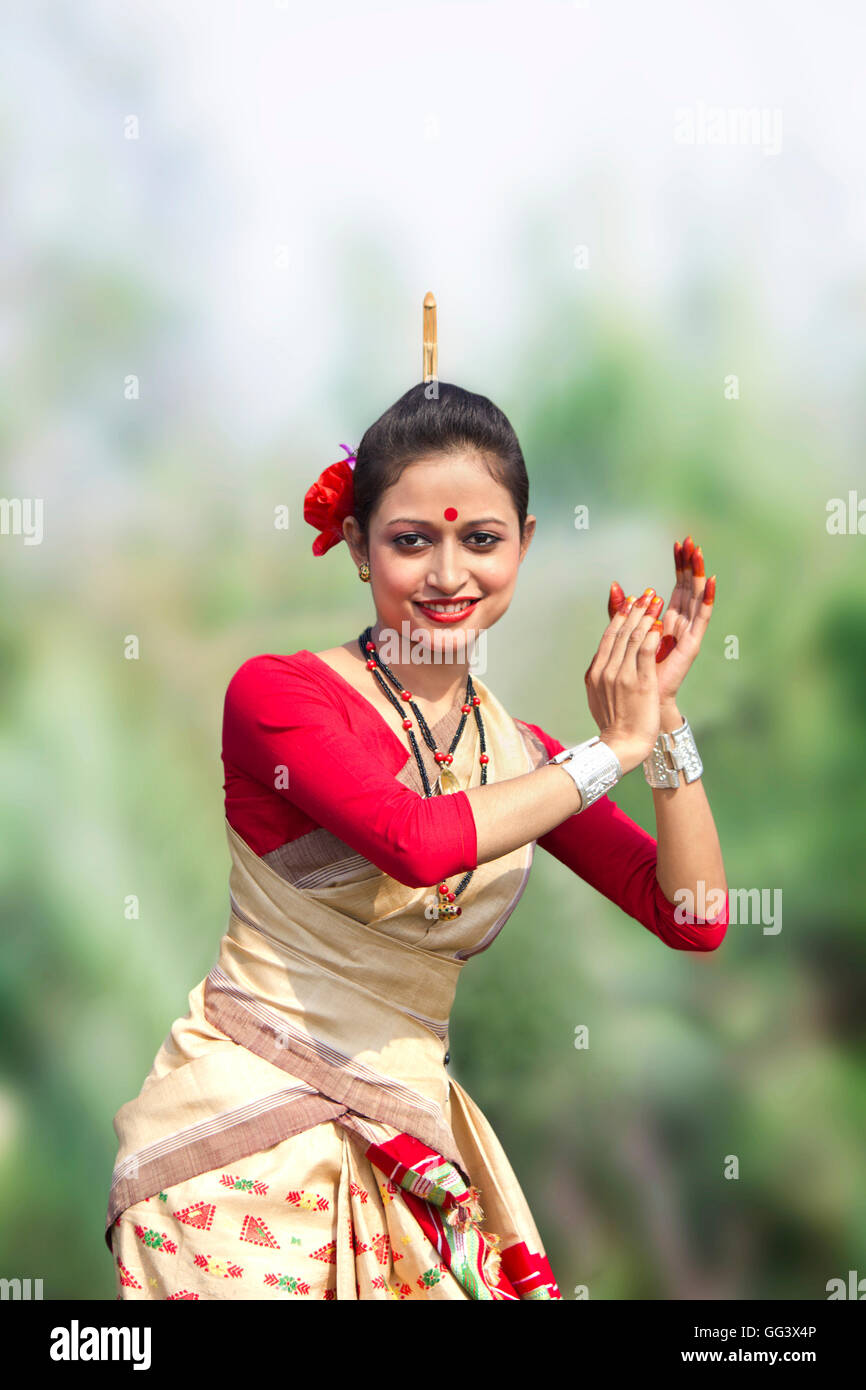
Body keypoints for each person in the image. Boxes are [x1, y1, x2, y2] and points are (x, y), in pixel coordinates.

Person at [105, 379, 728, 1301]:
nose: (448, 575)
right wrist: (615, 750)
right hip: (238, 1152)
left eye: (481, 539)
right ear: (357, 547)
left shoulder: (523, 759)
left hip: (406, 1141)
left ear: (523, 544)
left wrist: (665, 722)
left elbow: (696, 916)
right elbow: (417, 842)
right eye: (411, 541)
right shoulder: (280, 697)